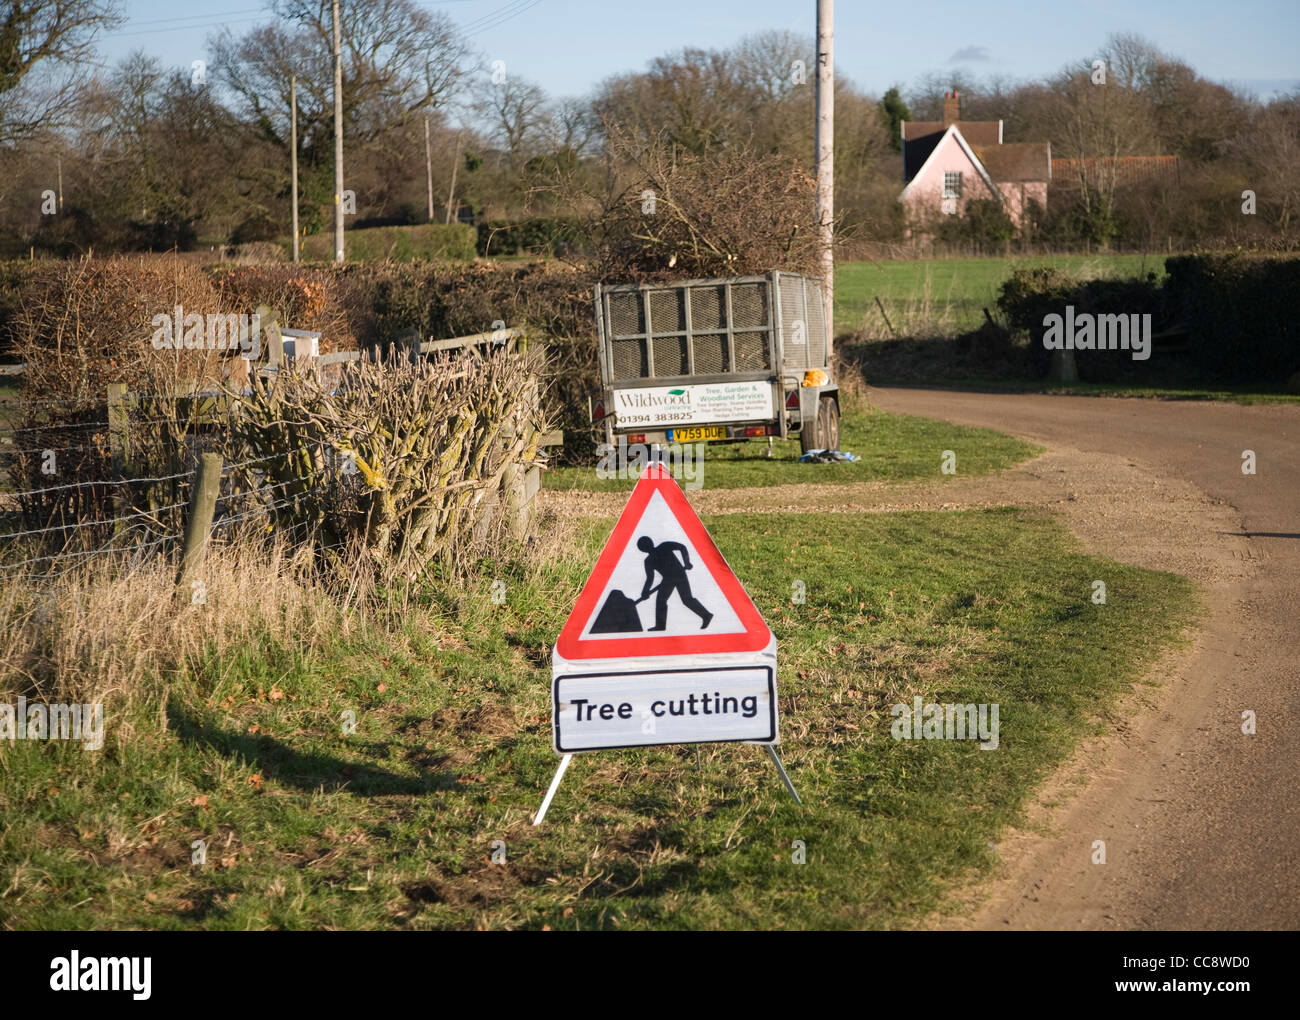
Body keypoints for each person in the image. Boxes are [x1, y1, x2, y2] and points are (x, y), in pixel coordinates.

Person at [636, 536, 713, 630]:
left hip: (679, 574)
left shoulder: (663, 547)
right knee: (664, 600)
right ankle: (660, 626)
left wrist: (687, 562)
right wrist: (645, 591)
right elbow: (650, 578)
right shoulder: (649, 560)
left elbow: (682, 547)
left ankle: (706, 615)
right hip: (668, 579)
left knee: (685, 599)